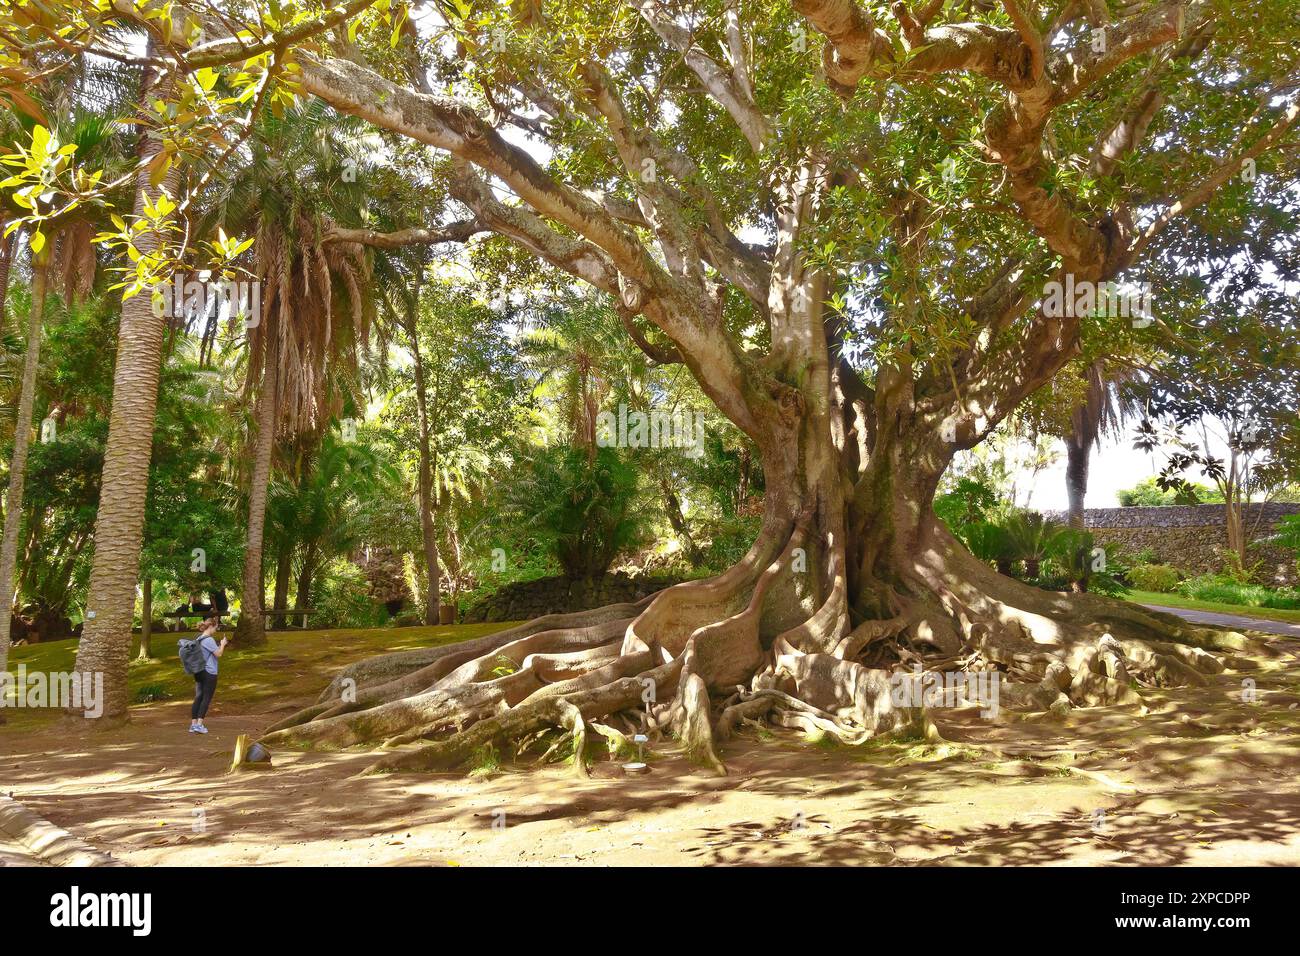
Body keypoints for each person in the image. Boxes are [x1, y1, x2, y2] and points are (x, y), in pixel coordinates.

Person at [190, 617, 227, 734]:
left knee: (198, 697)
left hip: (198, 671)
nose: (215, 631)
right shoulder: (209, 640)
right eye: (215, 628)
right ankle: (199, 725)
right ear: (211, 627)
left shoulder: (198, 638)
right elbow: (218, 654)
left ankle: (193, 724)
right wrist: (223, 644)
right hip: (209, 672)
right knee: (206, 698)